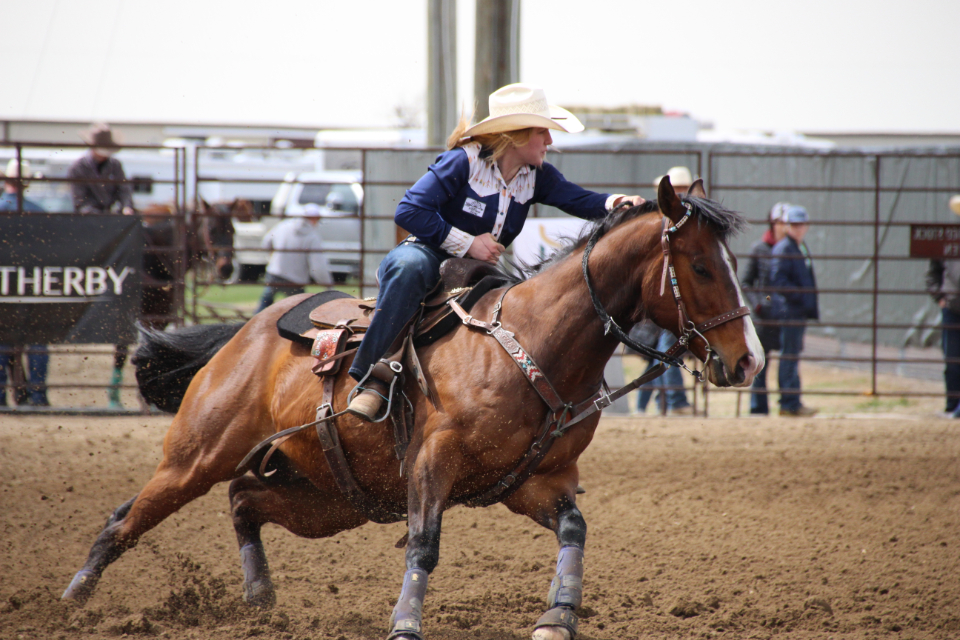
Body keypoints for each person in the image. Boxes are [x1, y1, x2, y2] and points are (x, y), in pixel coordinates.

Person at [346, 83, 645, 420]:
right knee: (408, 268)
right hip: (427, 253)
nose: (550, 141)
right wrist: (469, 243)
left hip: (479, 270)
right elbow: (410, 211)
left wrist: (616, 203)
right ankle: (371, 380)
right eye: (543, 131)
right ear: (517, 135)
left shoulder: (535, 176)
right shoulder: (462, 162)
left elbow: (577, 198)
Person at [68, 123, 134, 408]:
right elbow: (80, 202)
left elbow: (124, 194)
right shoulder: (78, 169)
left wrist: (126, 208)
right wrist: (102, 216)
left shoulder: (115, 167)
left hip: (114, 223)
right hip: (90, 223)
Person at [633, 167, 695, 416]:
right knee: (663, 351)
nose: (679, 195)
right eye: (676, 190)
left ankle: (649, 405)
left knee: (660, 353)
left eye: (683, 190)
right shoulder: (664, 222)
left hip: (669, 298)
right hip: (661, 299)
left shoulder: (668, 220)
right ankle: (675, 401)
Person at [0, 159, 50, 407]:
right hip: (34, 284)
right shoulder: (39, 211)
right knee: (37, 340)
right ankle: (37, 396)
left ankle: (0, 397)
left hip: (4, 285)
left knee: (2, 341)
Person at [741, 202, 790, 415]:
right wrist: (760, 303)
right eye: (779, 222)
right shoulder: (759, 249)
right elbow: (746, 282)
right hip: (765, 315)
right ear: (772, 223)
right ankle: (758, 407)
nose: (783, 226)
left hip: (786, 314)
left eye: (786, 222)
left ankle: (788, 404)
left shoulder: (793, 248)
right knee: (762, 363)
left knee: (788, 361)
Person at [770, 205, 819, 417]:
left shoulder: (799, 247)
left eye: (801, 224)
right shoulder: (785, 249)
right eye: (794, 224)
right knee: (789, 356)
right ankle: (789, 403)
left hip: (797, 310)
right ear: (788, 226)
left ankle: (792, 401)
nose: (798, 228)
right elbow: (778, 282)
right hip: (790, 311)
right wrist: (802, 297)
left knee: (791, 355)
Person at [255, 203, 331, 313]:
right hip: (295, 280)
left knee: (265, 303)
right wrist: (327, 284)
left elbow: (266, 242)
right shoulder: (312, 237)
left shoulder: (283, 225)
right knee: (300, 310)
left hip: (274, 273)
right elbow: (318, 267)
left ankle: (252, 323)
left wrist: (272, 258)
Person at [924, 194, 960, 417]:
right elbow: (932, 274)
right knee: (953, 359)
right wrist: (940, 297)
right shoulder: (948, 239)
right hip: (953, 308)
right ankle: (952, 406)